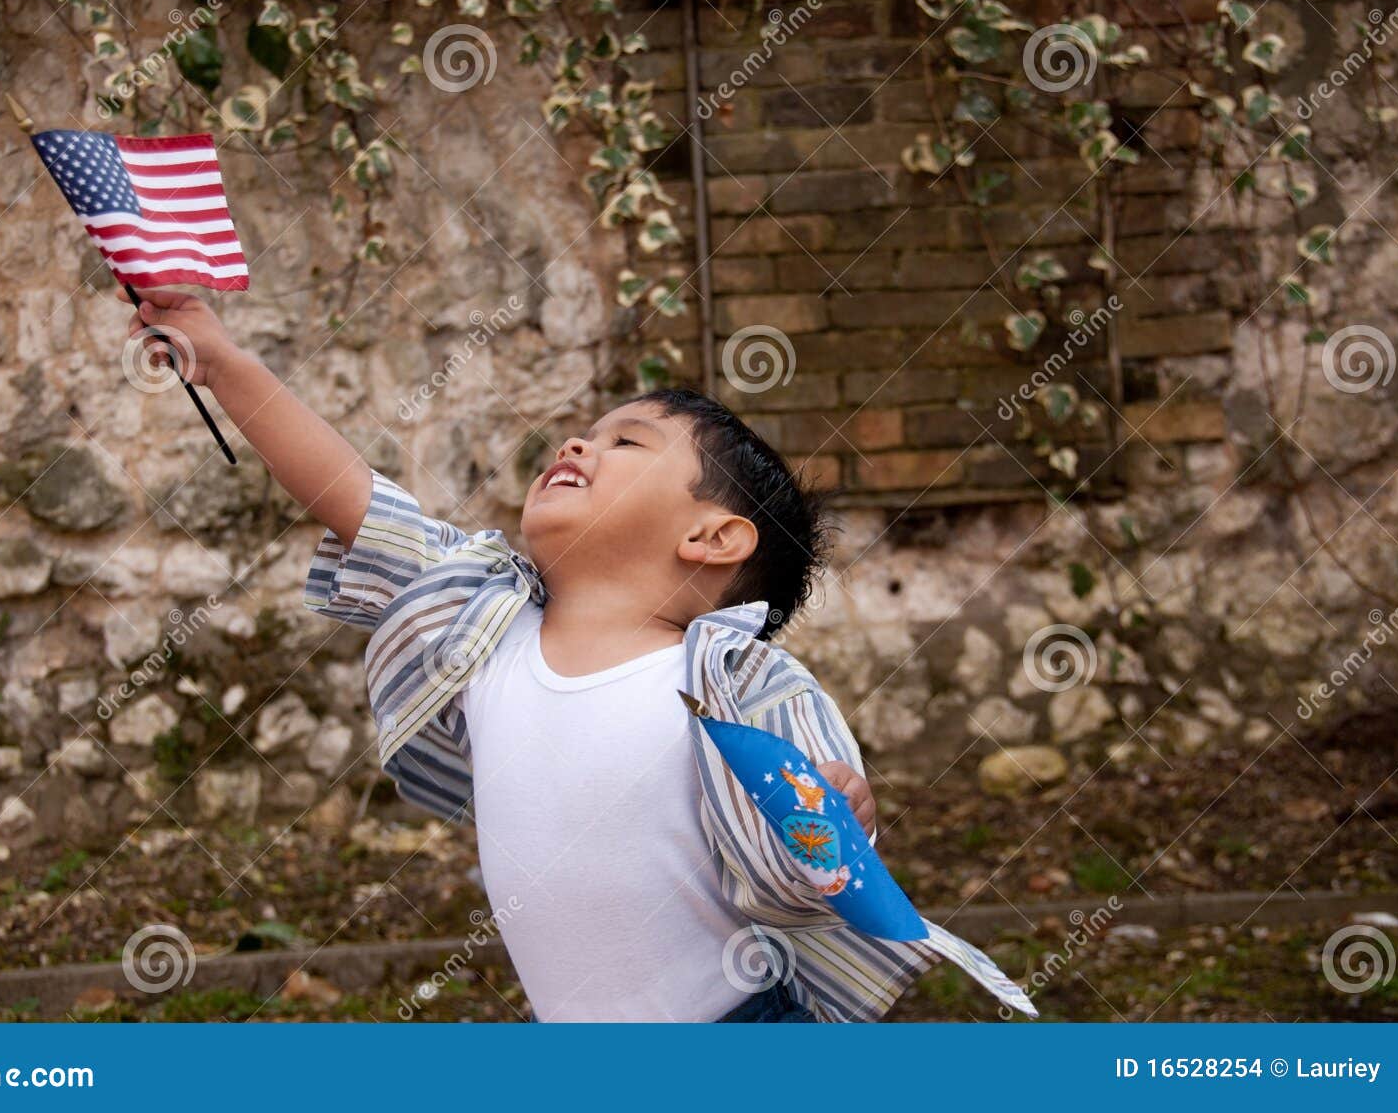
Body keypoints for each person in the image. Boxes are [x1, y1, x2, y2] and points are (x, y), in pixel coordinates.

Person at [117, 286, 1036, 1023]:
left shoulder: (736, 684)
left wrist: (850, 817)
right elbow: (355, 497)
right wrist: (224, 360)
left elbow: (821, 843)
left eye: (625, 442)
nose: (579, 442)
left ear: (714, 538)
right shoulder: (487, 628)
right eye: (586, 432)